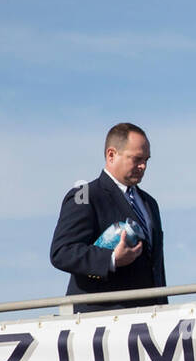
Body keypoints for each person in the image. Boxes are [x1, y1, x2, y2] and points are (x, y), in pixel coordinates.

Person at [50, 123, 167, 312]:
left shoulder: (149, 203)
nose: (143, 166)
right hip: (101, 321)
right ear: (111, 155)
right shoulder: (85, 195)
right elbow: (62, 252)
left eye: (146, 160)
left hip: (148, 319)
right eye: (136, 159)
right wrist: (111, 259)